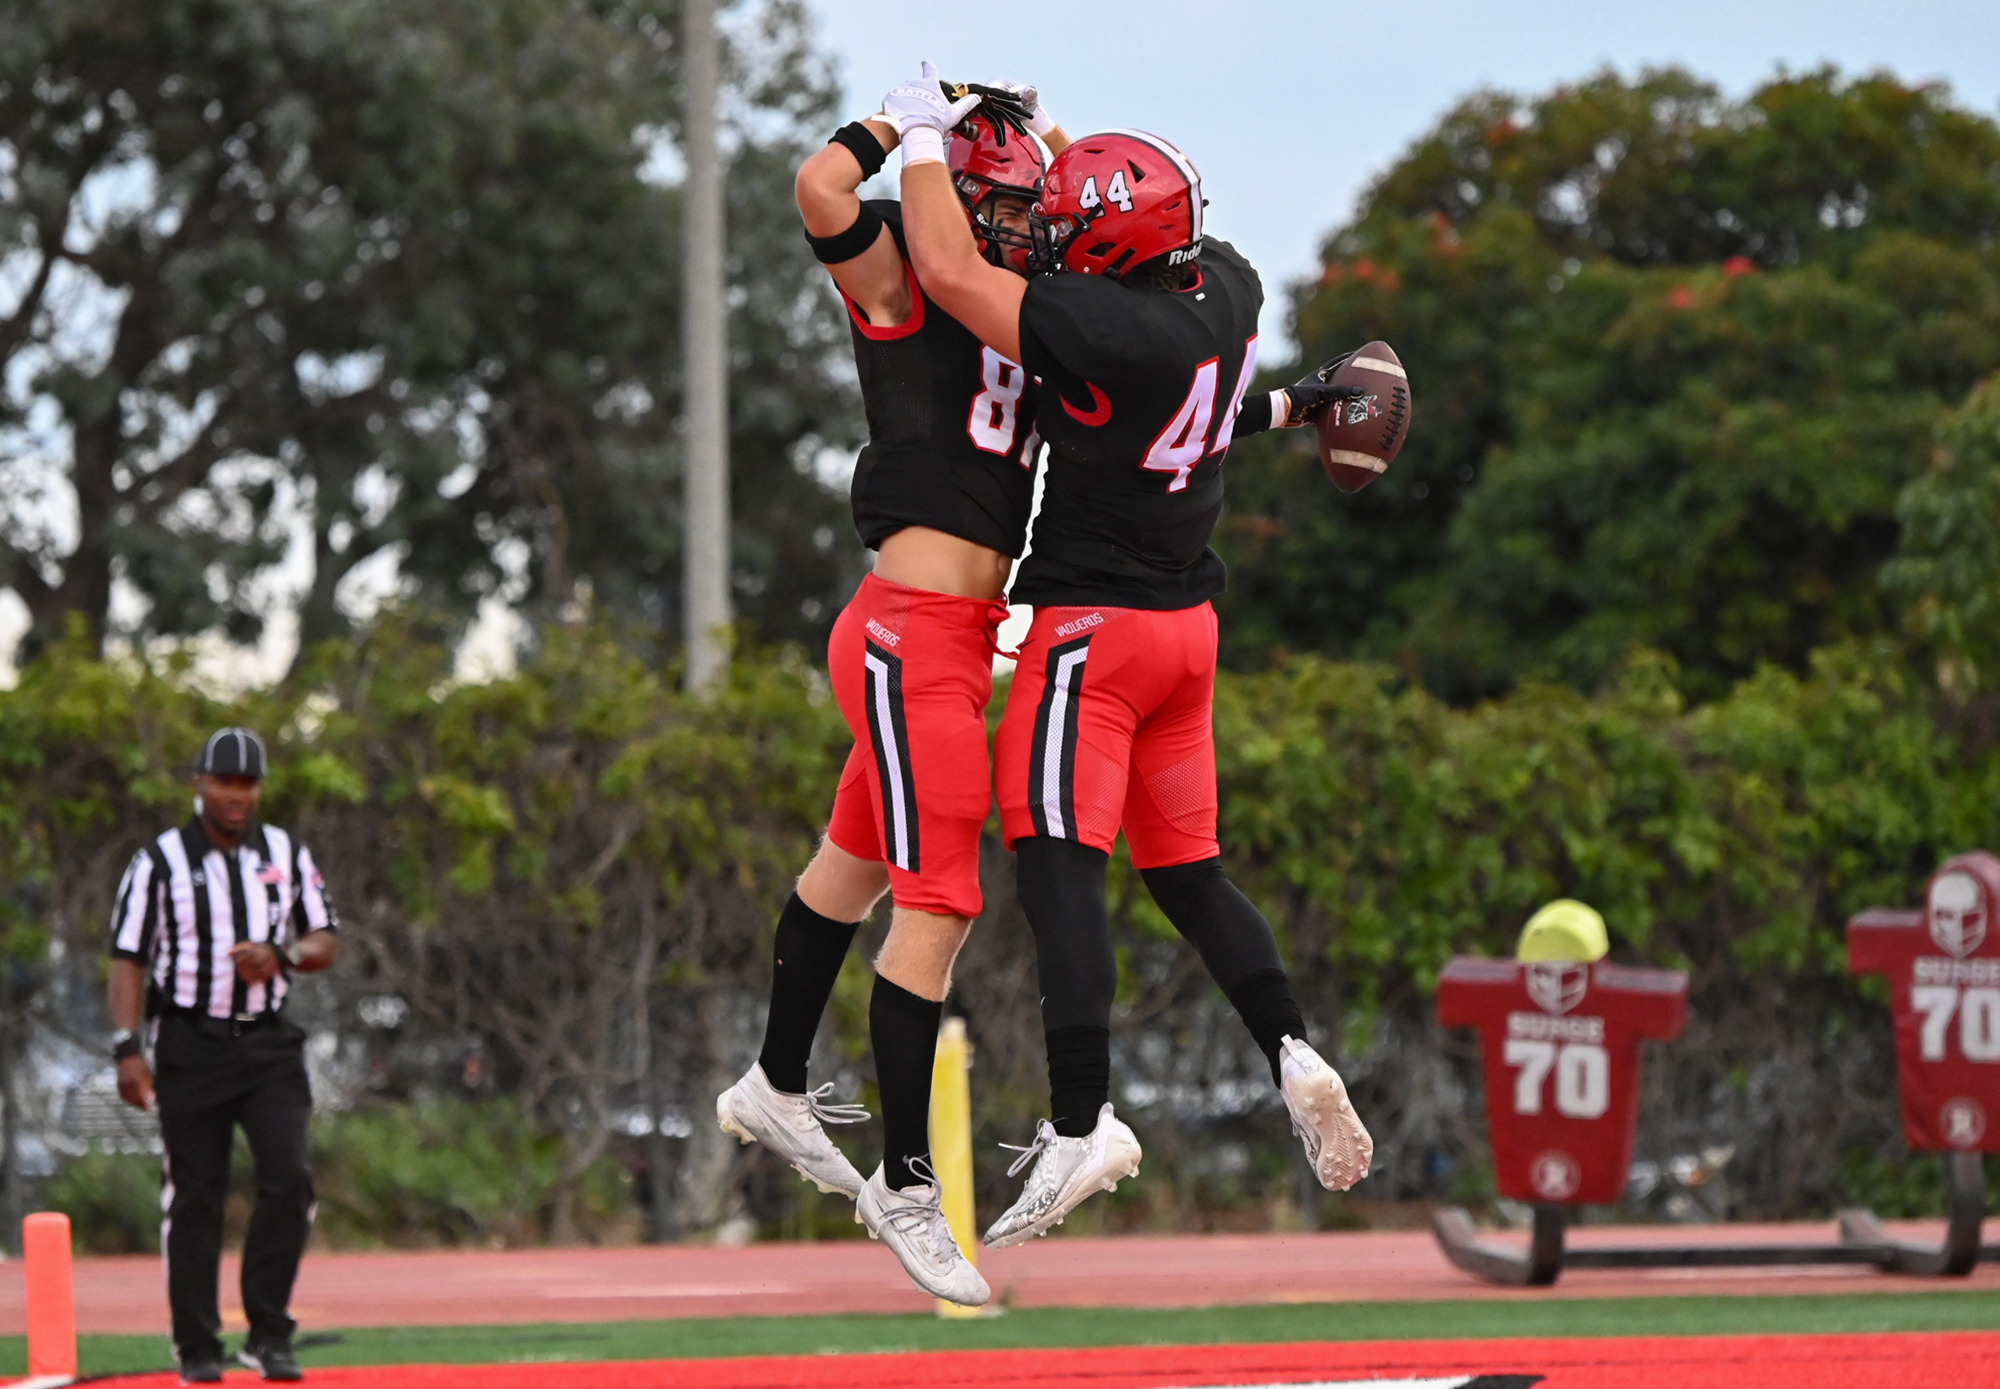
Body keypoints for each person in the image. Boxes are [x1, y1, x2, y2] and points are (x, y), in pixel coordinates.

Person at [895, 92, 1376, 1247]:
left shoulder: (1095, 329)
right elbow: (1201, 397)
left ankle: (1079, 1121)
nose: (1052, 237)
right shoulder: (1229, 287)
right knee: (1191, 874)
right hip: (1184, 638)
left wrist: (919, 133)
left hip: (1091, 637)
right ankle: (1290, 1051)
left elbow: (951, 273)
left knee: (1058, 866)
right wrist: (1075, 161)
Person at [714, 70, 1066, 1305]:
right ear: (952, 201)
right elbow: (818, 186)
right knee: (942, 897)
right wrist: (908, 118)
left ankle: (769, 1082)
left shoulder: (1023, 303)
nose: (1027, 231)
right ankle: (906, 1187)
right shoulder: (903, 288)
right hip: (908, 631)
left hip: (957, 637)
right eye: (1004, 208)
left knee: (847, 870)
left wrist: (1022, 136)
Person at [109, 728, 340, 1383]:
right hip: (189, 1041)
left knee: (289, 1176)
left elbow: (325, 936)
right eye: (224, 782)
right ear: (199, 783)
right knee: (195, 1196)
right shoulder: (158, 861)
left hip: (267, 1039)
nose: (237, 796)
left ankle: (268, 1332)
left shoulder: (284, 853)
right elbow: (127, 957)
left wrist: (284, 954)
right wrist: (127, 1046)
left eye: (248, 783)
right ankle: (198, 1345)